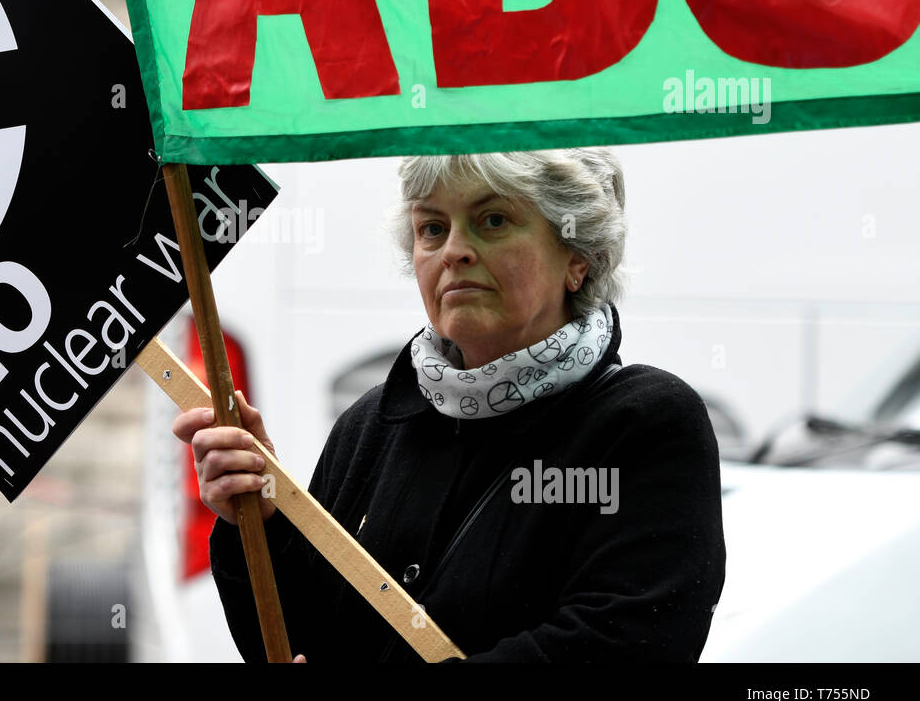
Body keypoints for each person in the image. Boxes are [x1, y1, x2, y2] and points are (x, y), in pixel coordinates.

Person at [173, 149, 726, 662]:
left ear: (578, 256)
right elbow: (298, 638)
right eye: (432, 228)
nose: (454, 251)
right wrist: (264, 514)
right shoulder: (372, 423)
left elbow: (621, 645)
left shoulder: (644, 423)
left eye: (493, 221)